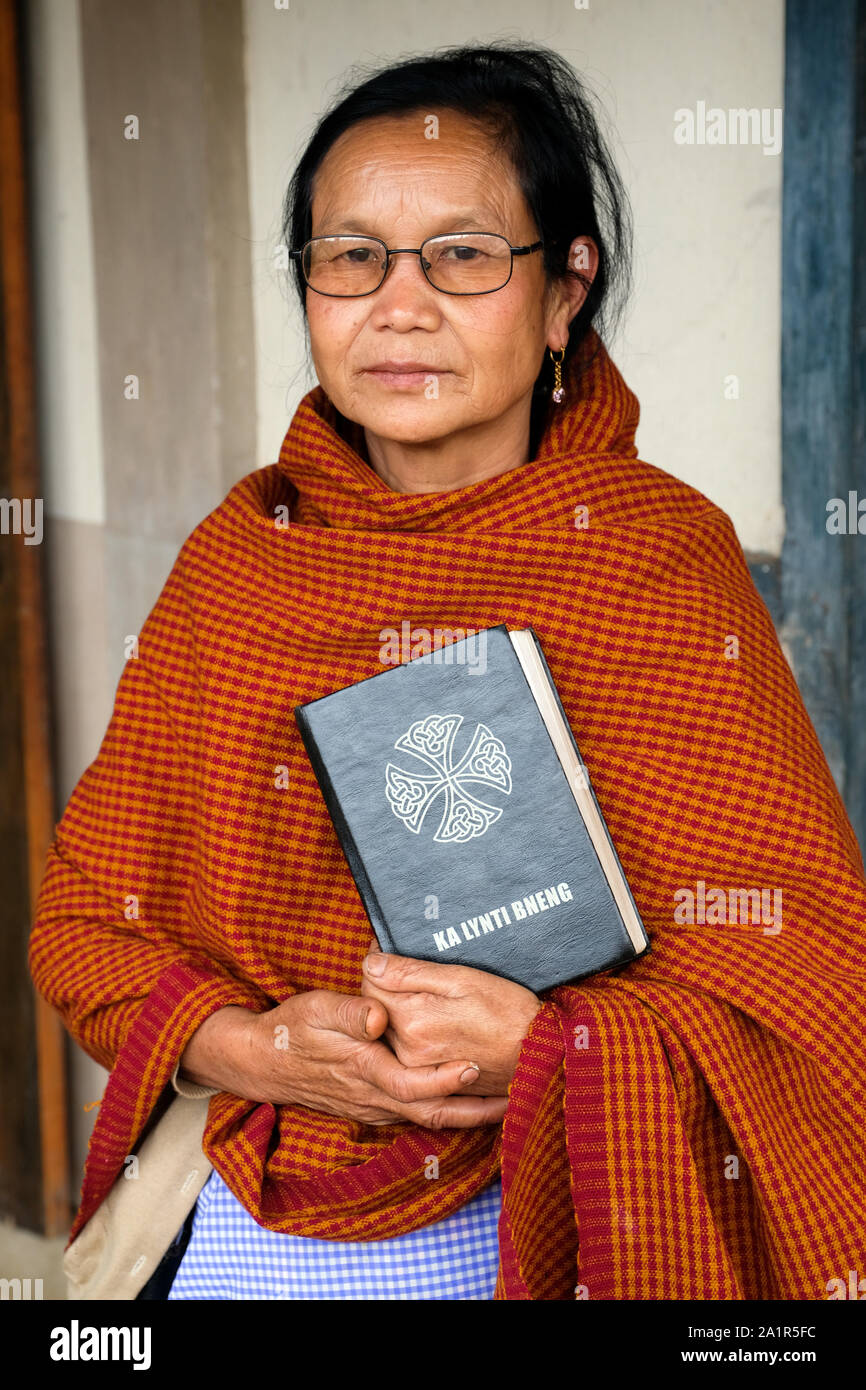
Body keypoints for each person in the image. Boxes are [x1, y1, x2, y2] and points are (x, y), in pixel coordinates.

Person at [30, 41, 866, 1301]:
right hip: (256, 1219)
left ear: (564, 289)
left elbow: (800, 986)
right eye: (349, 255)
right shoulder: (243, 563)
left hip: (568, 1230)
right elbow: (89, 925)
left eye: (466, 255)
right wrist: (259, 1049)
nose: (397, 305)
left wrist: (551, 1049)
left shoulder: (652, 562)